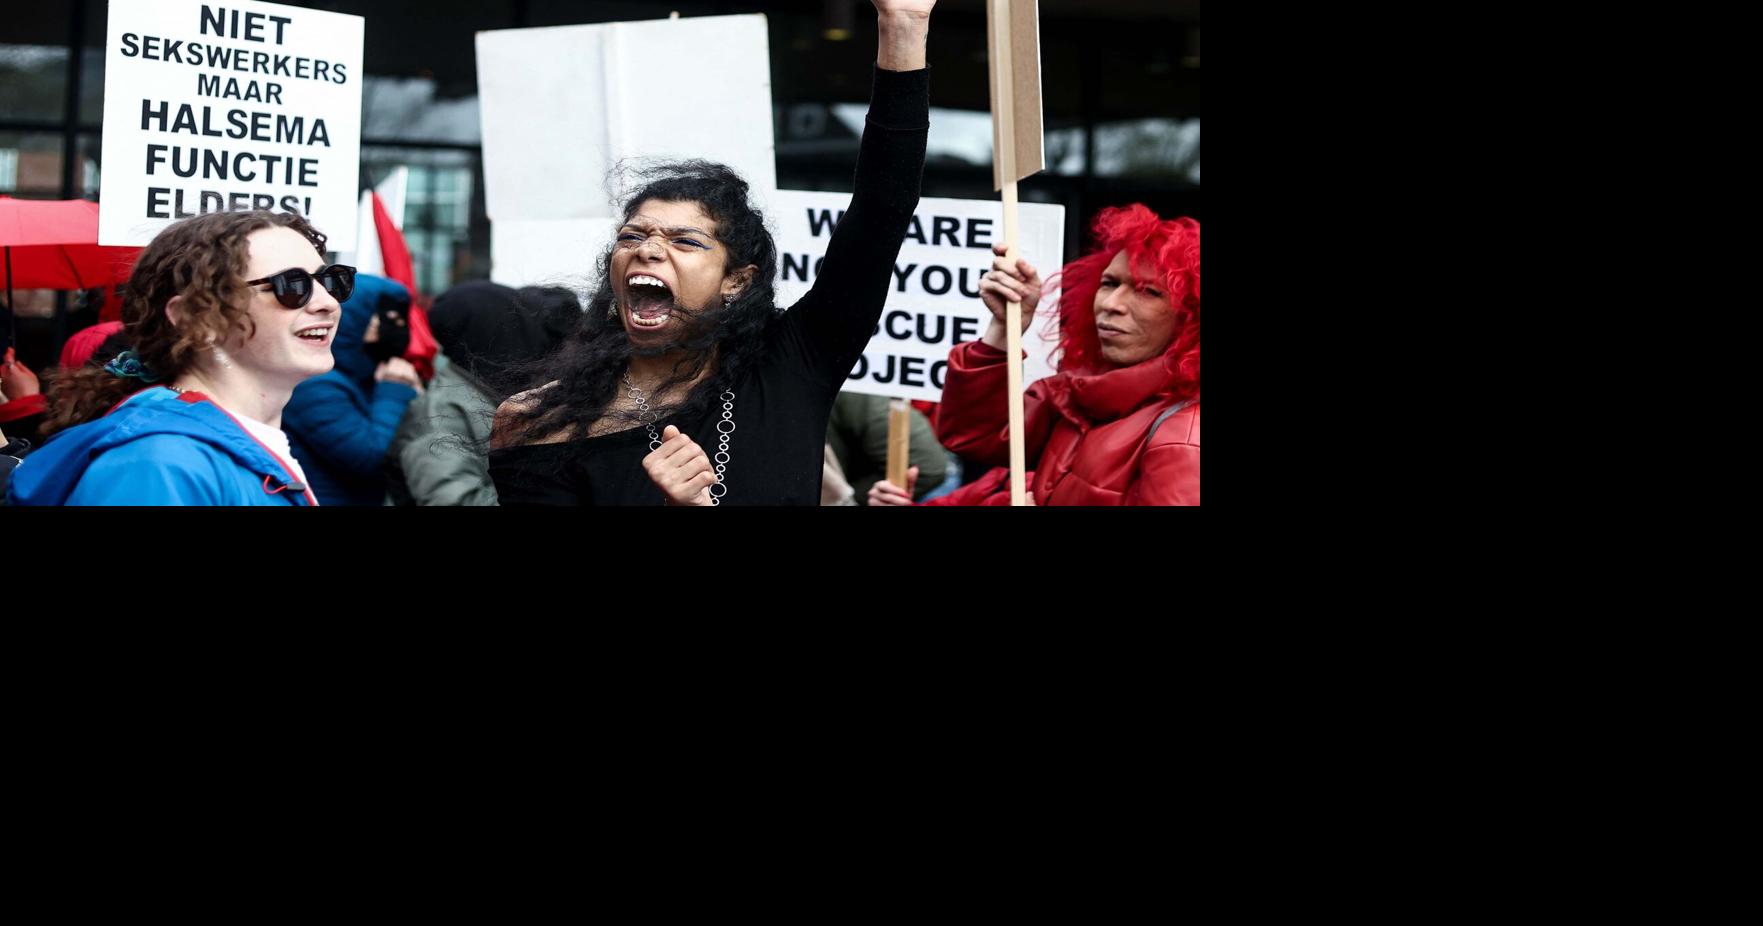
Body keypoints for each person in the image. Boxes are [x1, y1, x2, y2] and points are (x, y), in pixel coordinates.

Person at [488, 0, 935, 506]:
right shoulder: (539, 421)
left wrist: (903, 25)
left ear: (736, 280)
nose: (648, 250)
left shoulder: (791, 363)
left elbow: (881, 210)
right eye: (632, 237)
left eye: (685, 241)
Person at [6, 210, 349, 506]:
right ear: (193, 317)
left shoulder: (189, 452)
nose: (327, 303)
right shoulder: (159, 463)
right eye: (291, 285)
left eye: (332, 282)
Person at [869, 203, 1200, 506]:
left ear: (1190, 315)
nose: (1111, 304)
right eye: (1109, 283)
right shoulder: (1081, 393)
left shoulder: (1184, 438)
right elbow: (975, 435)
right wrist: (1004, 326)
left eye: (1147, 291)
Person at [387, 281, 578, 505]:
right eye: (517, 327)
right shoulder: (440, 411)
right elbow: (454, 500)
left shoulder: (487, 395)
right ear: (492, 334)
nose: (534, 340)